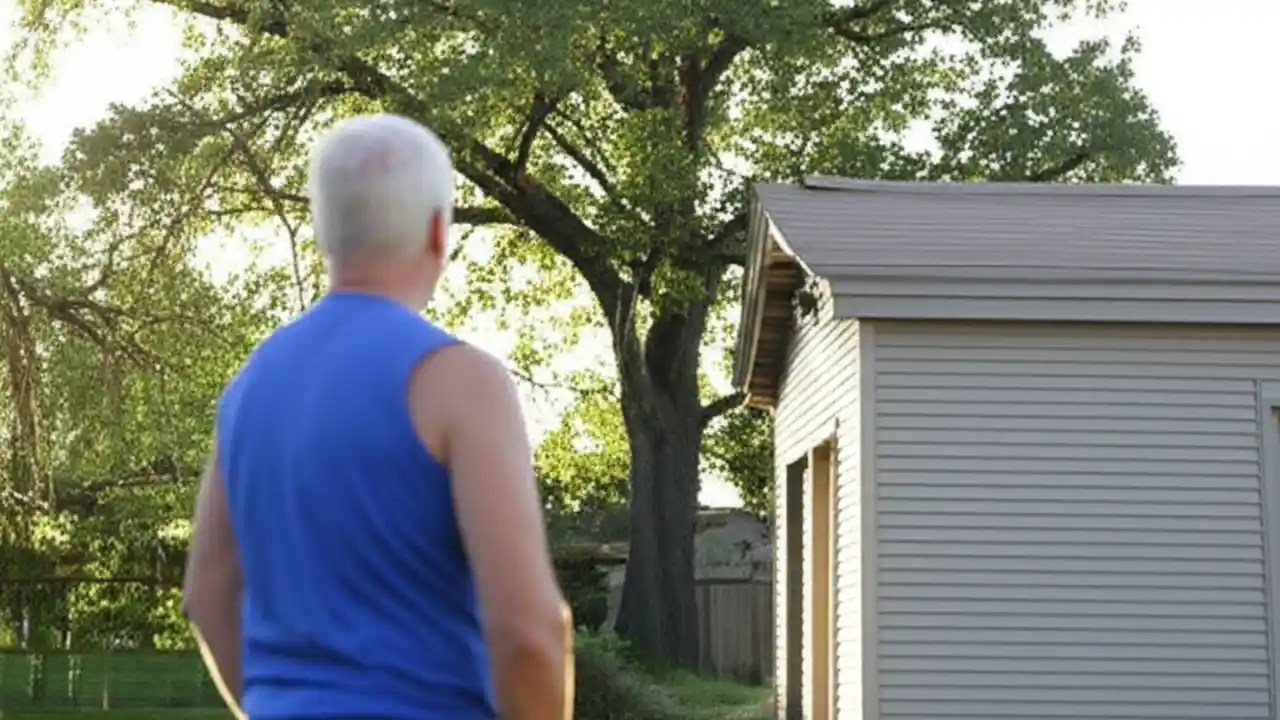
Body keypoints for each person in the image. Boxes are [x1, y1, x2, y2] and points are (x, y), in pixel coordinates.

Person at [182, 113, 573, 720]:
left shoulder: (249, 387)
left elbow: (207, 595)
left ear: (326, 231)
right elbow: (527, 632)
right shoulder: (461, 381)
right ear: (438, 232)